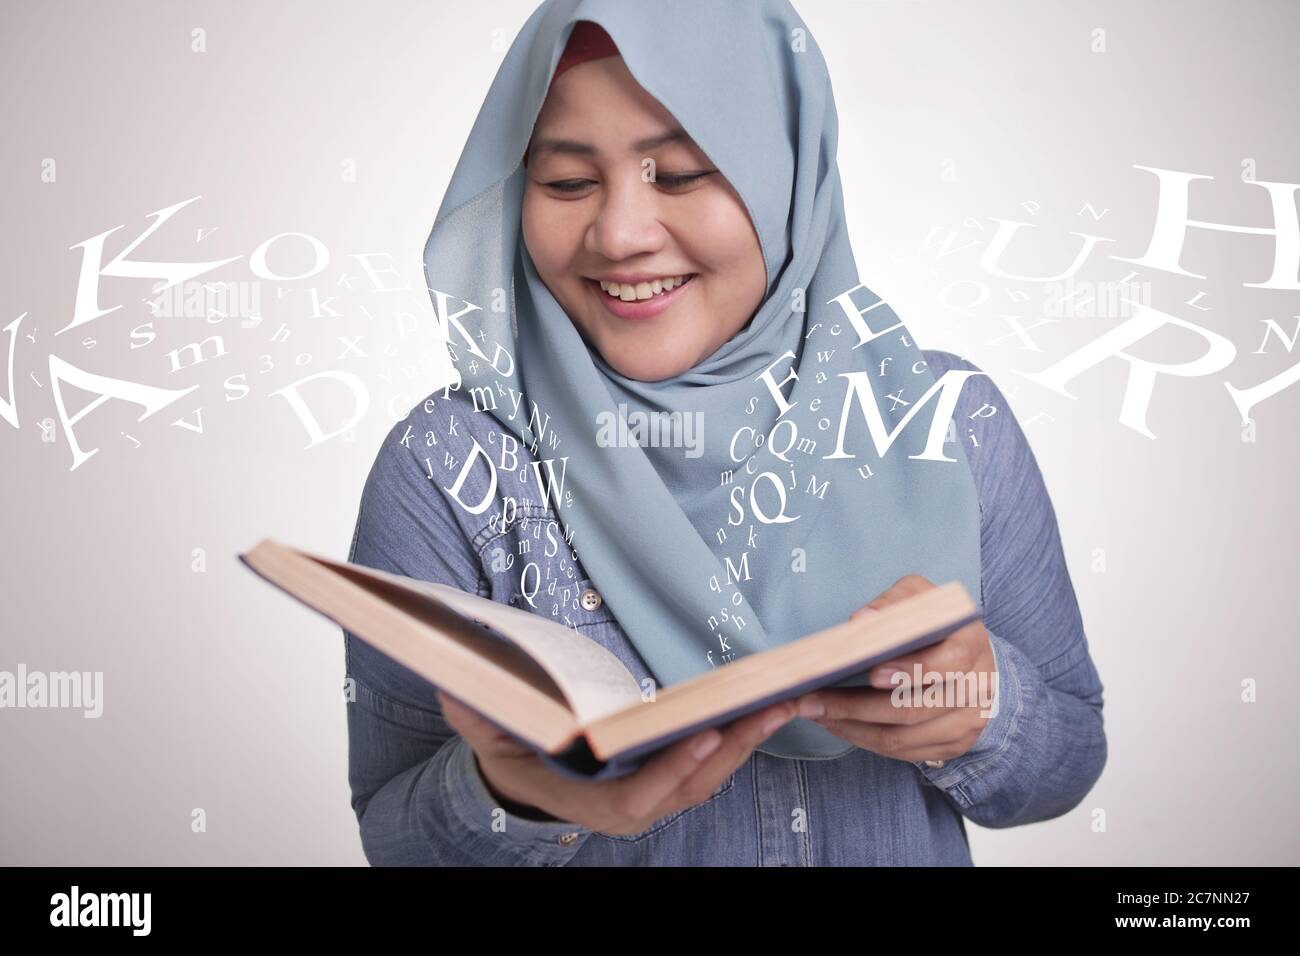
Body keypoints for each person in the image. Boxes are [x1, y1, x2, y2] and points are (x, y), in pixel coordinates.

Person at [342, 0, 1107, 866]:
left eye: (679, 173)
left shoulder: (948, 419)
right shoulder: (451, 469)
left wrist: (986, 710)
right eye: (565, 182)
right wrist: (516, 794)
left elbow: (1069, 759)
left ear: (786, 176)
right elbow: (394, 837)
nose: (621, 234)